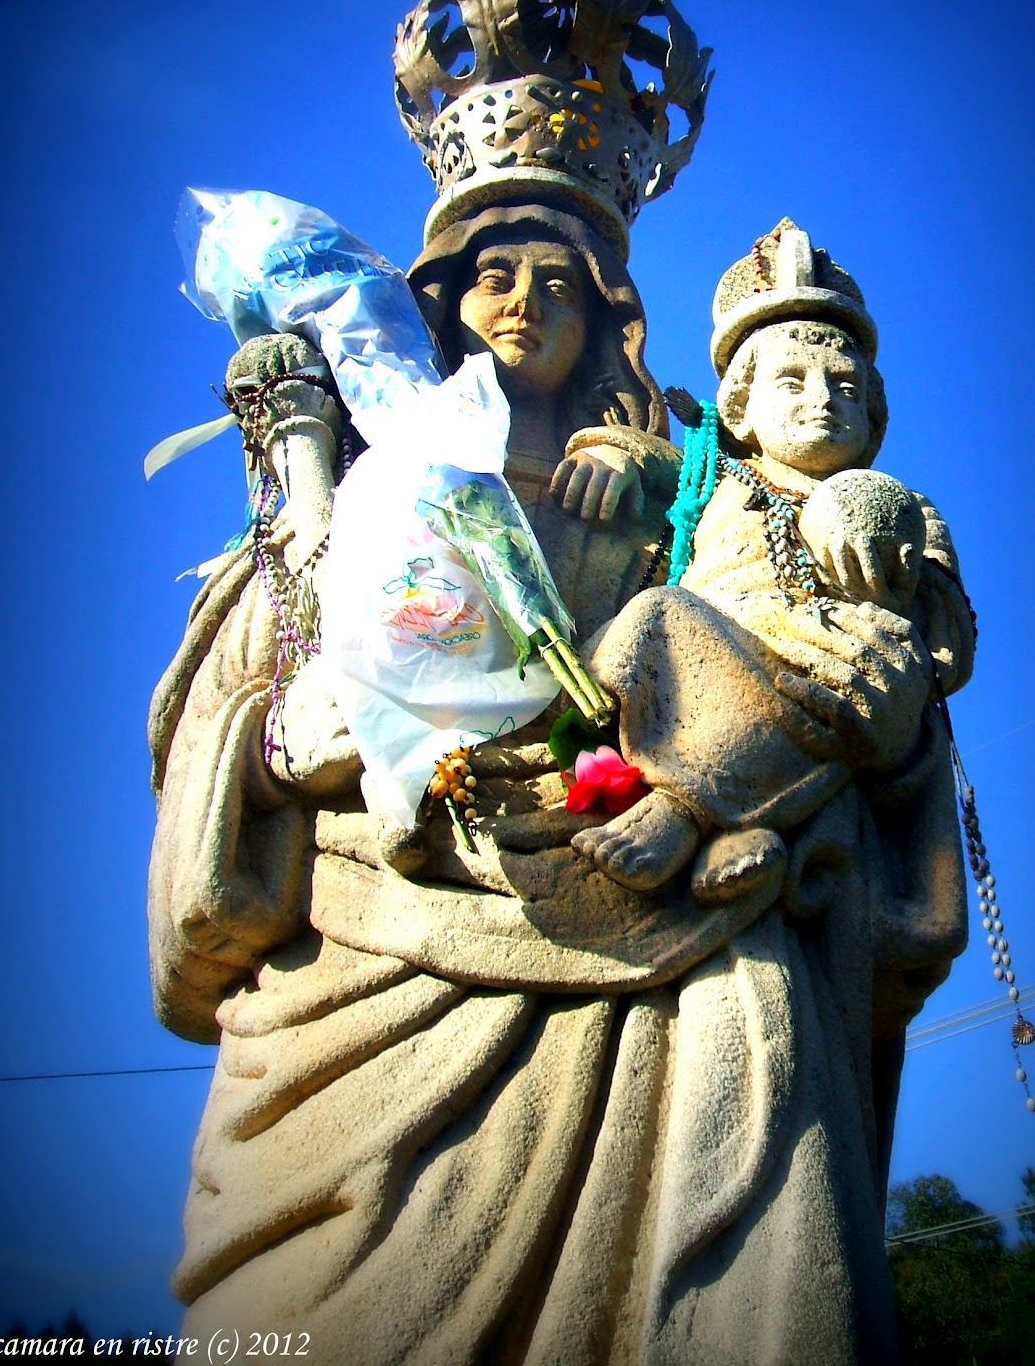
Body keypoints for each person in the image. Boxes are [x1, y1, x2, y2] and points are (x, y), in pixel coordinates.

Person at [148, 203, 970, 1364]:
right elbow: (209, 759)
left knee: (757, 1014)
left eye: (560, 282)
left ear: (610, 319)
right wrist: (279, 749)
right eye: (492, 274)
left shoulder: (682, 506)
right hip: (373, 955)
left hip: (671, 929)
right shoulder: (336, 512)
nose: (524, 300)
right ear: (435, 303)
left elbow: (828, 677)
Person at [573, 293, 969, 905]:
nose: (822, 400)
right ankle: (736, 835)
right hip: (711, 650)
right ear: (741, 410)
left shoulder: (909, 507)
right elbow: (648, 461)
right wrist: (610, 452)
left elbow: (950, 643)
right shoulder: (714, 474)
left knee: (860, 679)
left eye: (845, 387)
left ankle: (682, 812)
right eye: (792, 381)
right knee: (653, 620)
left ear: (872, 413)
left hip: (835, 667)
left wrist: (878, 521)